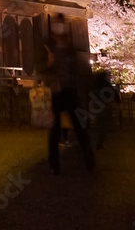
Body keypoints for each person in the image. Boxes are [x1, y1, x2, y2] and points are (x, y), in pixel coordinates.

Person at [45, 15, 95, 175]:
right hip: (65, 91)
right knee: (71, 128)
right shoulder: (64, 51)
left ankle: (59, 164)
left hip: (64, 91)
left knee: (64, 128)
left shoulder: (62, 51)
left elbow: (71, 71)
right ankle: (87, 162)